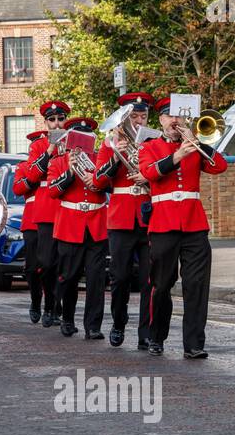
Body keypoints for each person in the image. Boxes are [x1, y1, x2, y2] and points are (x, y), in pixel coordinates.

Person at [139, 97, 229, 358]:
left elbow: (220, 166)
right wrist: (178, 155)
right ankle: (156, 336)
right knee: (162, 284)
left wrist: (198, 143)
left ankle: (194, 344)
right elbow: (149, 173)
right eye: (169, 116)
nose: (174, 121)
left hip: (194, 224)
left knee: (196, 285)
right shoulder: (150, 147)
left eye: (179, 116)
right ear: (161, 120)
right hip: (163, 224)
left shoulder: (195, 146)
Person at [93, 92, 154, 349]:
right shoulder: (109, 144)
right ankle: (118, 323)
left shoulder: (153, 142)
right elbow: (98, 182)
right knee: (119, 278)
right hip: (120, 219)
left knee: (150, 280)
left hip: (149, 216)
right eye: (135, 116)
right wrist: (116, 155)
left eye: (143, 116)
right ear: (124, 118)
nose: (139, 121)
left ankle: (146, 333)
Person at [48, 116, 107, 339]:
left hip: (96, 224)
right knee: (69, 277)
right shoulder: (58, 161)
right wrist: (71, 172)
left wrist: (98, 179)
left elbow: (109, 184)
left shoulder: (99, 160)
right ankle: (68, 318)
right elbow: (53, 191)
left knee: (96, 279)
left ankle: (93, 326)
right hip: (70, 226)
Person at [25, 101, 71, 327]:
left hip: (69, 209)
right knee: (46, 262)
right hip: (46, 210)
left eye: (60, 119)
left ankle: (58, 307)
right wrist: (50, 150)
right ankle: (48, 304)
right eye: (52, 120)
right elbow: (32, 175)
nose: (56, 124)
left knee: (66, 263)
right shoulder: (38, 145)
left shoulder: (75, 141)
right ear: (45, 122)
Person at [12, 130, 48, 321]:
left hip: (50, 216)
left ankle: (53, 305)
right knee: (32, 267)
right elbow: (18, 188)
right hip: (32, 220)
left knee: (51, 265)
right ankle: (36, 301)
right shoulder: (24, 166)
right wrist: (33, 178)